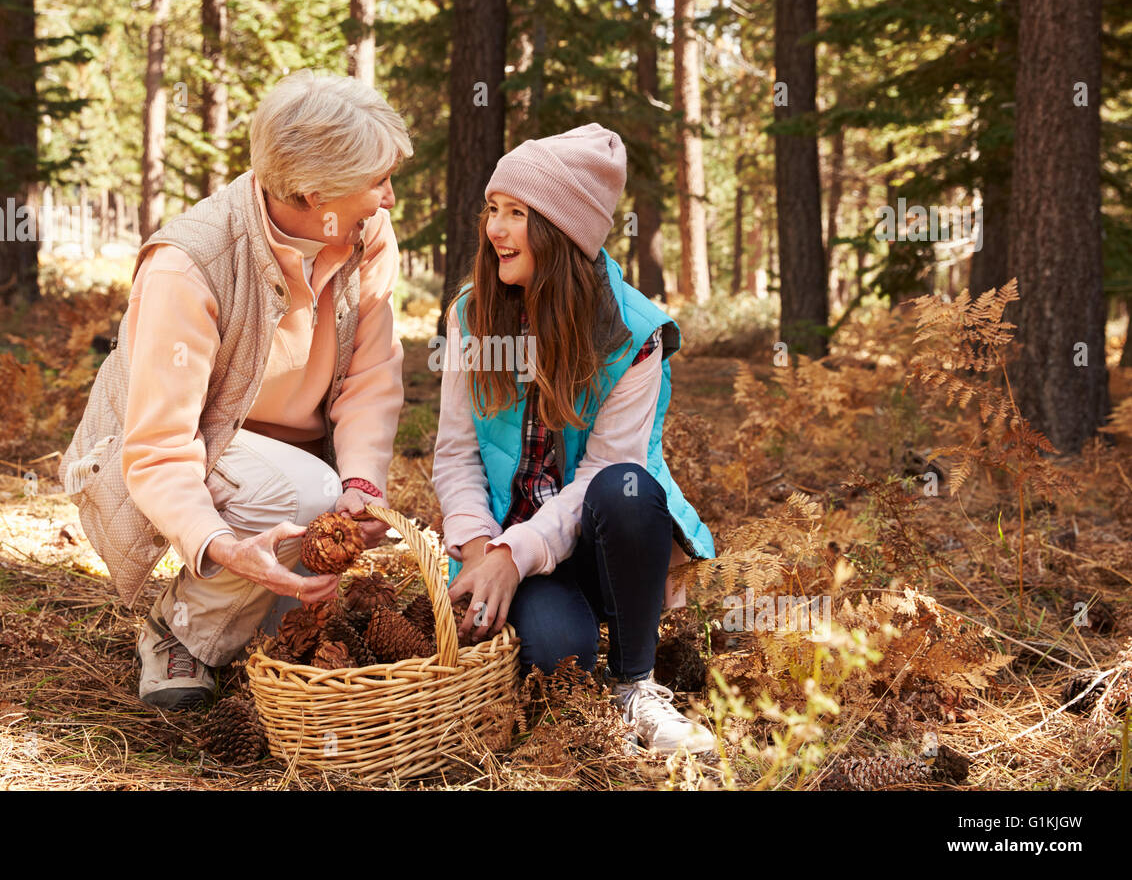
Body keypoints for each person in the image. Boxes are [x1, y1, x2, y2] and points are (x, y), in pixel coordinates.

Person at [60, 70, 411, 711]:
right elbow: (161, 445)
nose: (389, 198)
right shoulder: (188, 265)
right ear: (314, 192)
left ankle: (252, 608)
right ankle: (180, 631)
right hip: (184, 451)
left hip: (305, 461)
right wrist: (222, 548)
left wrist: (360, 483)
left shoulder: (366, 237)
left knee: (298, 597)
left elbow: (371, 375)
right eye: (377, 182)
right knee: (303, 494)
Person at [432, 124, 718, 752]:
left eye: (516, 215)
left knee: (627, 486)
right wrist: (481, 550)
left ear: (563, 233)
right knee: (559, 655)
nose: (495, 231)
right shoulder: (470, 316)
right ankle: (574, 640)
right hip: (510, 544)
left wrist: (515, 554)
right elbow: (456, 452)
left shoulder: (633, 335)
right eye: (493, 211)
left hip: (604, 543)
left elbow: (601, 475)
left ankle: (636, 685)